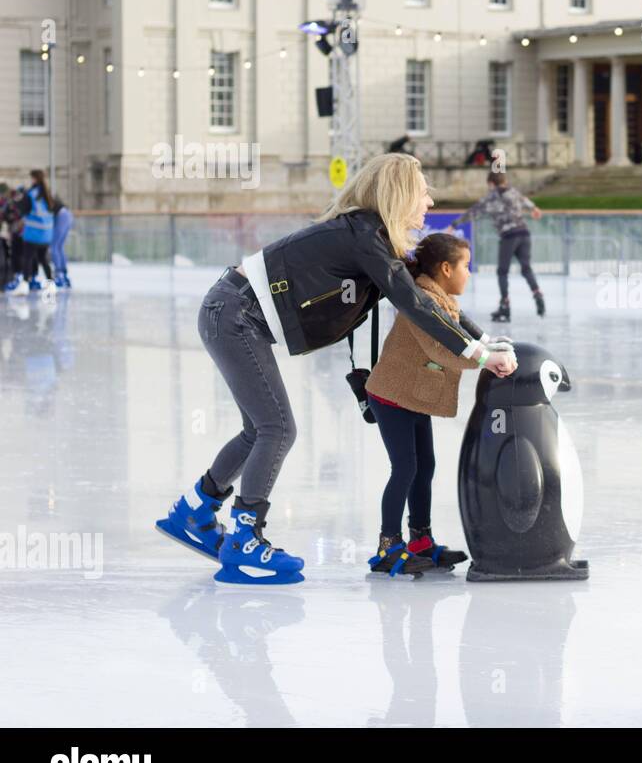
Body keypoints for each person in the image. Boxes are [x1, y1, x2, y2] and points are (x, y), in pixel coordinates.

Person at [156, 153, 518, 584]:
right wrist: (478, 356)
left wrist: (482, 343)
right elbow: (416, 304)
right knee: (277, 429)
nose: (430, 204)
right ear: (400, 194)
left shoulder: (374, 241)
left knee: (260, 429)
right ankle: (243, 539)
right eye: (424, 193)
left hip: (232, 311)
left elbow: (431, 297)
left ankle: (196, 511)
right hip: (235, 314)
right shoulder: (363, 237)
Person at [364, 233, 513, 577]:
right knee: (405, 468)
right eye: (466, 266)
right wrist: (486, 361)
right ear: (446, 268)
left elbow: (461, 326)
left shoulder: (440, 296)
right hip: (391, 395)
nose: (470, 273)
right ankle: (388, 546)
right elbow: (441, 348)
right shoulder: (421, 301)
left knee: (424, 466)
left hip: (412, 395)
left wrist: (491, 345)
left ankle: (420, 541)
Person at [451, 174, 544, 322]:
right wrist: (535, 209)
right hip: (524, 234)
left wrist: (454, 224)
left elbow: (473, 212)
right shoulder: (513, 191)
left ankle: (505, 306)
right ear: (504, 181)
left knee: (502, 272)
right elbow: (526, 202)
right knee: (526, 268)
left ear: (491, 183)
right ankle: (537, 293)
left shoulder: (491, 197)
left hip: (509, 236)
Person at [7, 170, 55, 295]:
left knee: (27, 258)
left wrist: (17, 199)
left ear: (34, 179)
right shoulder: (47, 194)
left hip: (34, 234)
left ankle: (24, 285)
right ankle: (51, 285)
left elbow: (23, 209)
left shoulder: (32, 194)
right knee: (43, 259)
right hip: (46, 234)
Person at [50, 195, 74, 289]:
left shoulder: (44, 198)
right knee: (59, 246)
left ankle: (59, 274)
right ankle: (63, 273)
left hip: (62, 216)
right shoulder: (49, 197)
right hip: (68, 215)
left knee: (54, 246)